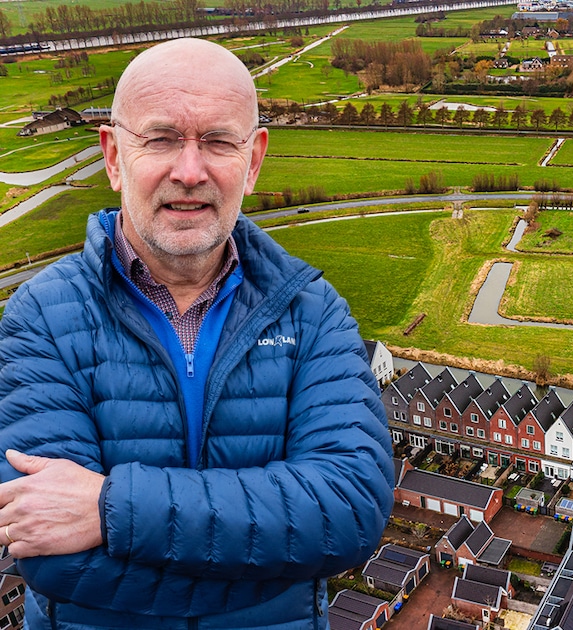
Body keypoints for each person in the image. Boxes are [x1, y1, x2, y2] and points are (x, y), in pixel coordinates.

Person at [0, 38, 394, 628]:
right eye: (160, 139)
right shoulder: (40, 317)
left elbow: (349, 511)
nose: (189, 171)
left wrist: (111, 511)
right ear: (113, 157)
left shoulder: (313, 312)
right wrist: (270, 567)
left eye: (217, 141)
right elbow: (50, 554)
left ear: (254, 159)